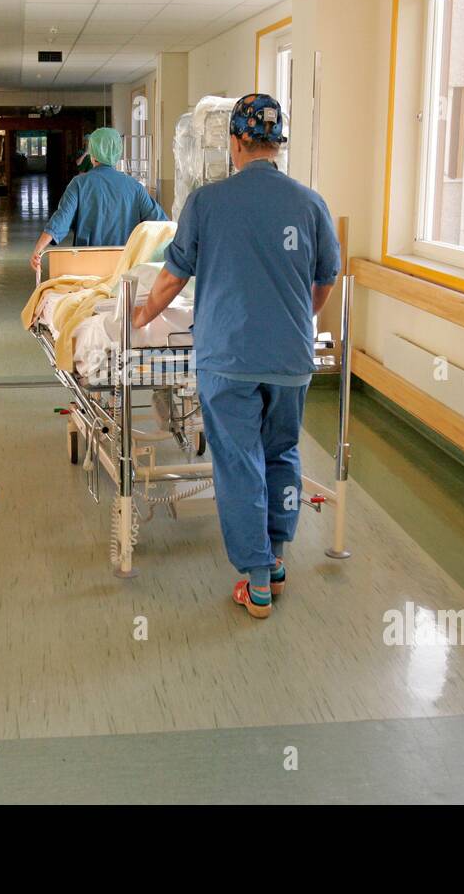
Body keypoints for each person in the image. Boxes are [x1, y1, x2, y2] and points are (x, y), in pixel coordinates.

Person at [131, 94, 340, 620]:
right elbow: (324, 281)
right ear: (277, 144)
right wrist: (296, 319)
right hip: (291, 359)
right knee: (283, 454)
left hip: (228, 359)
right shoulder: (310, 204)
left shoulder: (208, 203)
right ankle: (276, 557)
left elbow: (172, 276)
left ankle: (256, 582)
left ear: (236, 142)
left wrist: (140, 318)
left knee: (240, 462)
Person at [29, 127, 168, 274]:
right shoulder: (135, 187)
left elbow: (61, 220)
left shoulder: (79, 184)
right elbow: (162, 223)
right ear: (117, 154)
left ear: (92, 155)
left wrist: (38, 249)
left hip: (87, 265)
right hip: (124, 266)